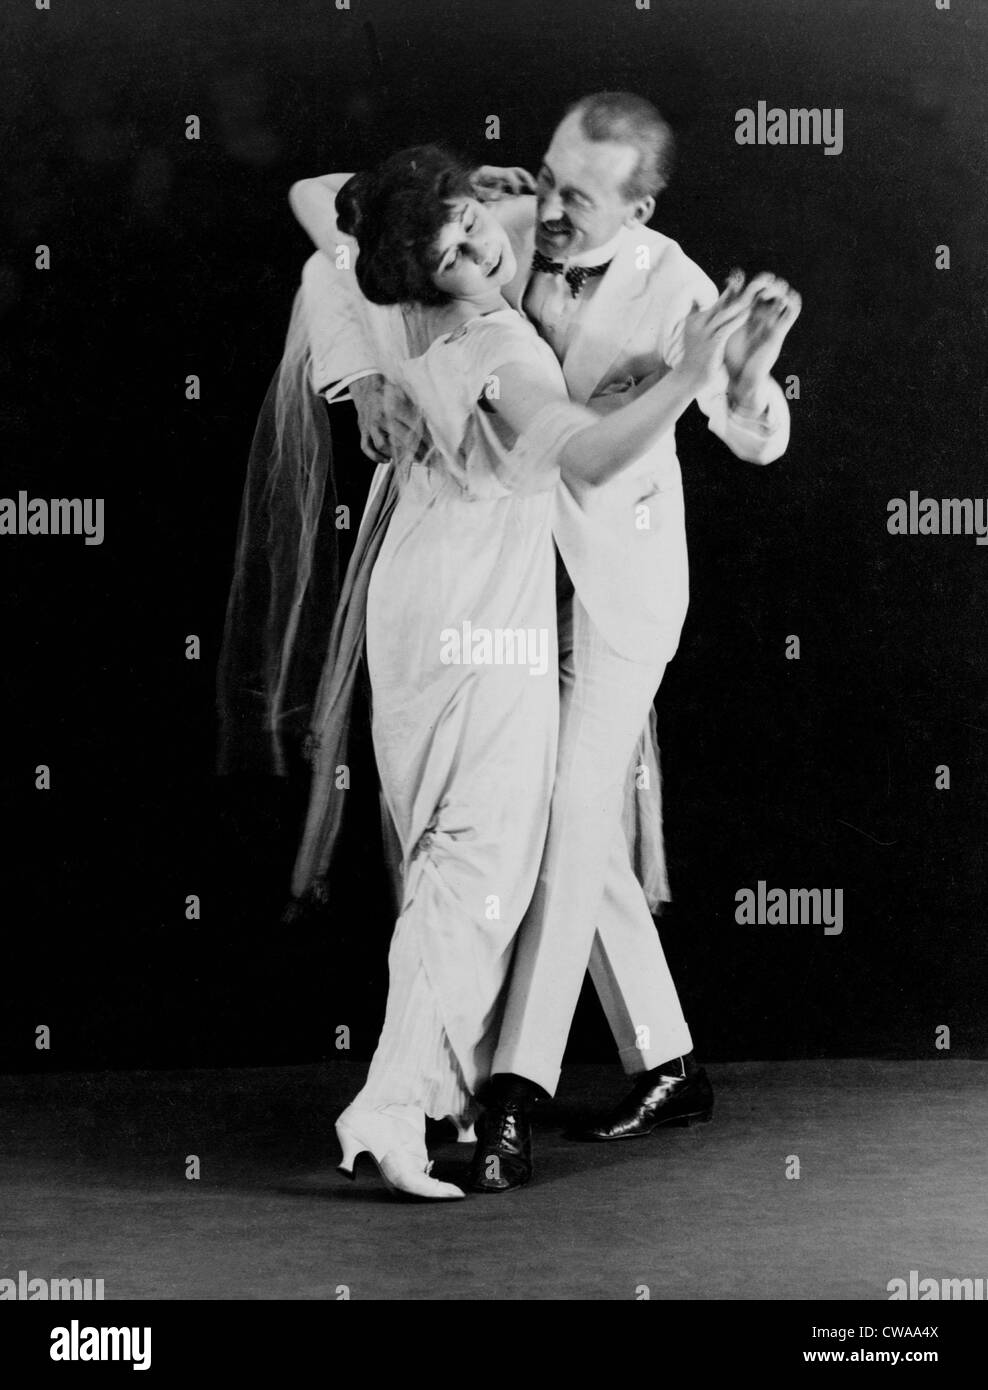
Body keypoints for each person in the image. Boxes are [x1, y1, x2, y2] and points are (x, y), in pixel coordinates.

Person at [290, 94, 801, 1194]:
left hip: (616, 591)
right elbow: (328, 223)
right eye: (544, 175)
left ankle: (508, 1093)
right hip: (499, 591)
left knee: (567, 817)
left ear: (640, 204)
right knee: (545, 829)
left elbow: (754, 437)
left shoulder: (676, 288)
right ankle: (666, 1057)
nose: (545, 206)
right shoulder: (498, 221)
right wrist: (365, 375)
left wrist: (748, 372)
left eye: (577, 194)